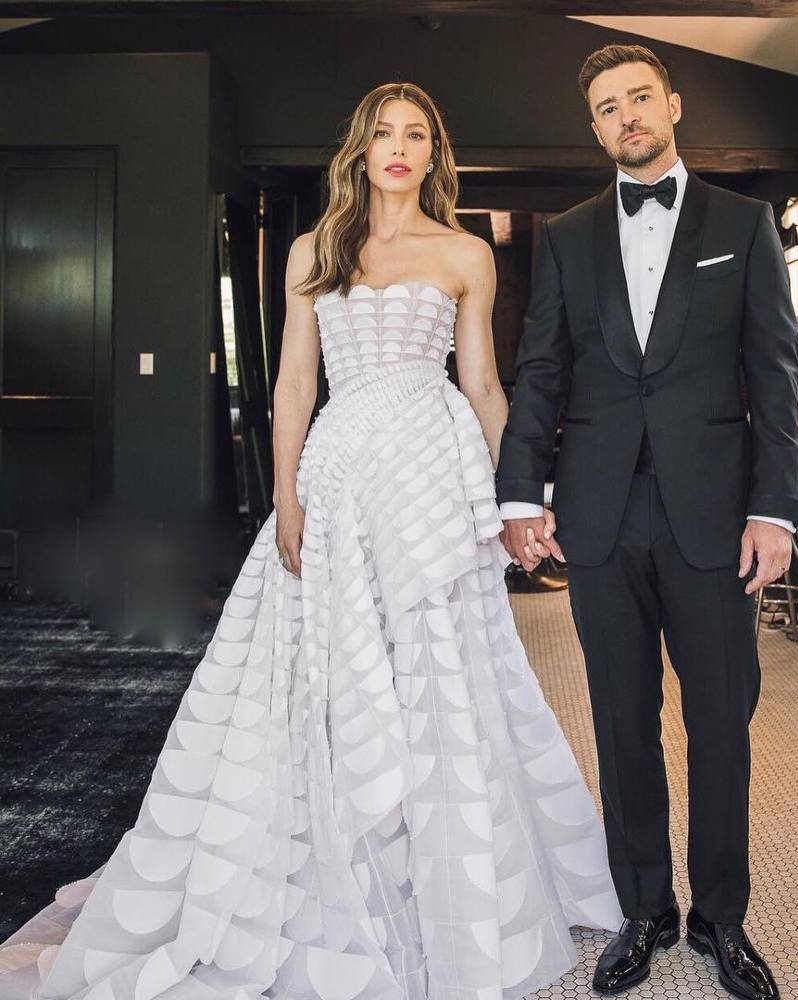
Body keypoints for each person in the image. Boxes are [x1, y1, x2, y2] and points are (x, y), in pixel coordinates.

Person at [0, 82, 625, 1000]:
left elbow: (485, 384)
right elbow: (295, 383)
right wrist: (285, 499)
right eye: (385, 133)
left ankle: (442, 884)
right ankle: (336, 857)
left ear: (433, 153)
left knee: (439, 663)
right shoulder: (316, 249)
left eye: (417, 134)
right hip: (337, 478)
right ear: (361, 150)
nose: (400, 147)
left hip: (430, 472)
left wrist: (521, 499)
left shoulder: (465, 252)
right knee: (325, 670)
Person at [495, 44, 798, 1000]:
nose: (626, 114)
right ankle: (645, 910)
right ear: (594, 128)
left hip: (713, 514)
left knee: (721, 724)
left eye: (639, 97)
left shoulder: (744, 224)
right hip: (599, 516)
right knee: (622, 723)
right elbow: (541, 368)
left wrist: (775, 508)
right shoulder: (568, 235)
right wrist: (519, 494)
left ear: (672, 103)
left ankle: (721, 916)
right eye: (607, 106)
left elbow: (774, 373)